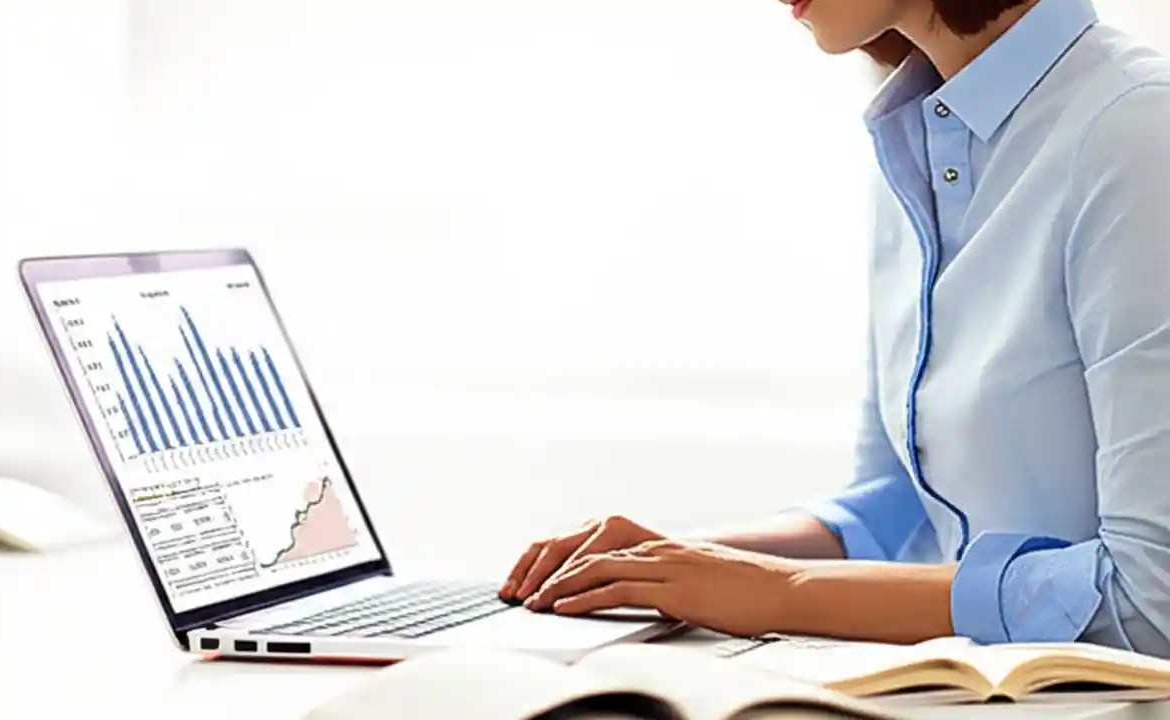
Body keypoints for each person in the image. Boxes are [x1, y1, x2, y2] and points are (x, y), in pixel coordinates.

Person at [499, 0, 1170, 657]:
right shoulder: (918, 138)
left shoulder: (1136, 132)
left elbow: (1151, 602)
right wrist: (673, 564)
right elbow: (906, 507)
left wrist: (781, 591)